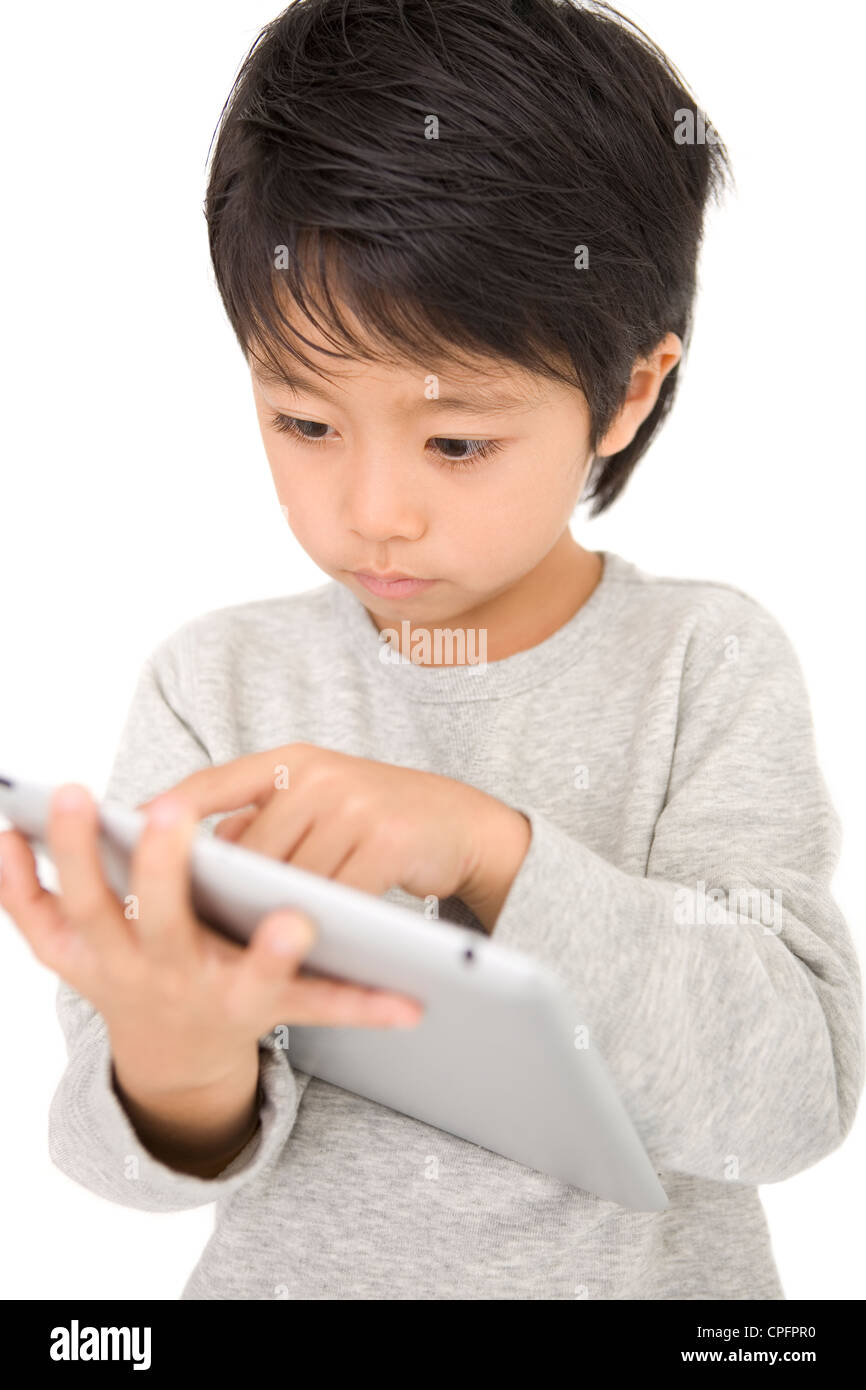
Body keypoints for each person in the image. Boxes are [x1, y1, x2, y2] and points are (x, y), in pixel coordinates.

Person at [0, 0, 862, 1300]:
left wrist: (482, 845)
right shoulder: (215, 683)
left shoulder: (702, 661)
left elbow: (788, 1100)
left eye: (456, 442)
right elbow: (122, 1163)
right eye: (302, 419)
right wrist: (176, 1050)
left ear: (625, 392)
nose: (371, 510)